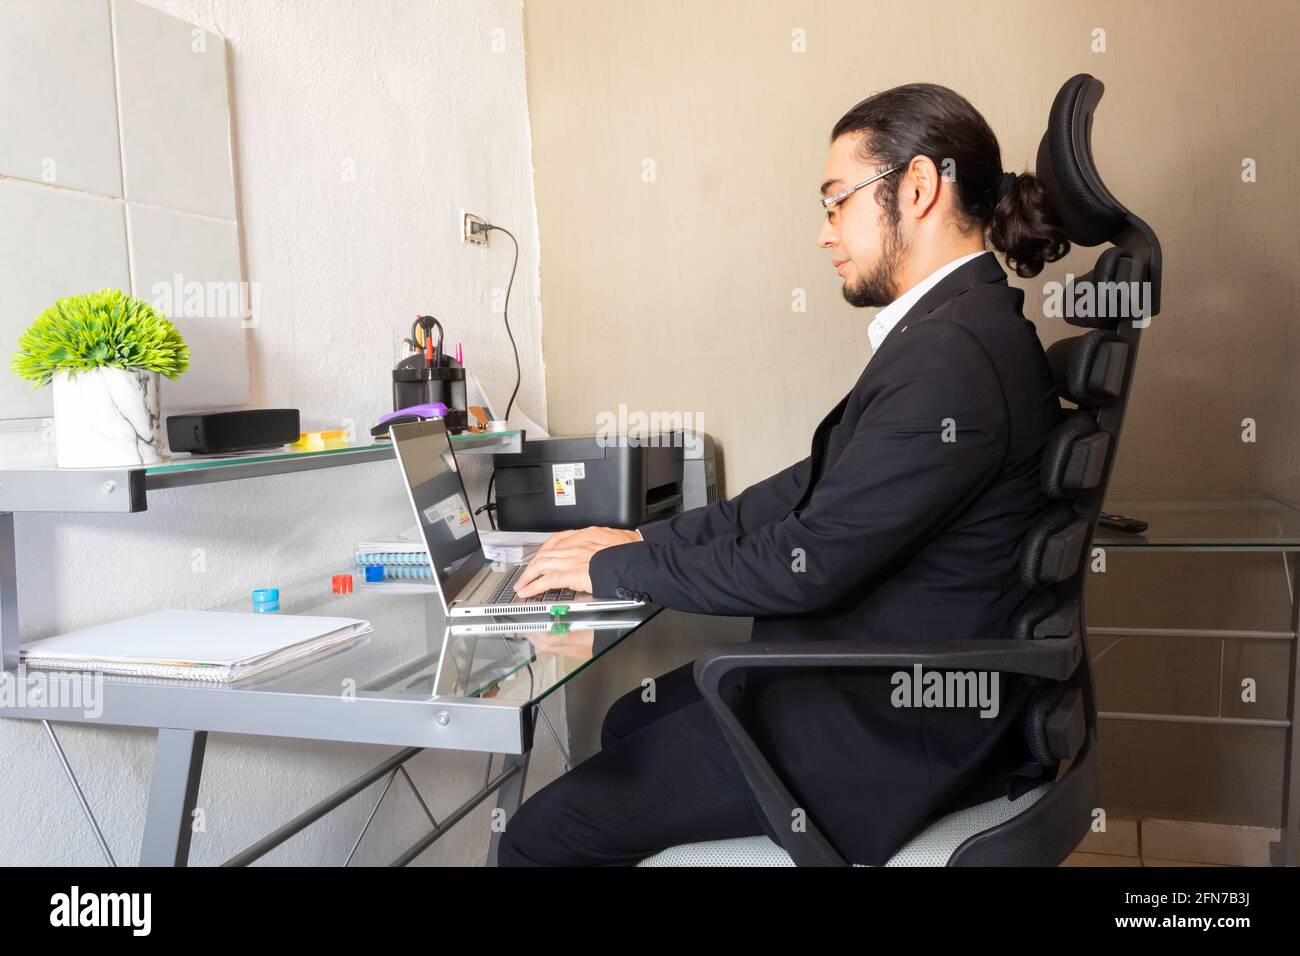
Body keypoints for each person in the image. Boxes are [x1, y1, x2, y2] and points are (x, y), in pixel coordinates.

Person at [498, 83, 1069, 867]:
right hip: (886, 694)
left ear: (919, 187)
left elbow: (810, 566)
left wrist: (615, 566)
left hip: (887, 734)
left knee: (537, 838)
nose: (824, 233)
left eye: (837, 203)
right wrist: (640, 538)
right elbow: (805, 489)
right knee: (633, 718)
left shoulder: (953, 359)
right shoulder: (960, 333)